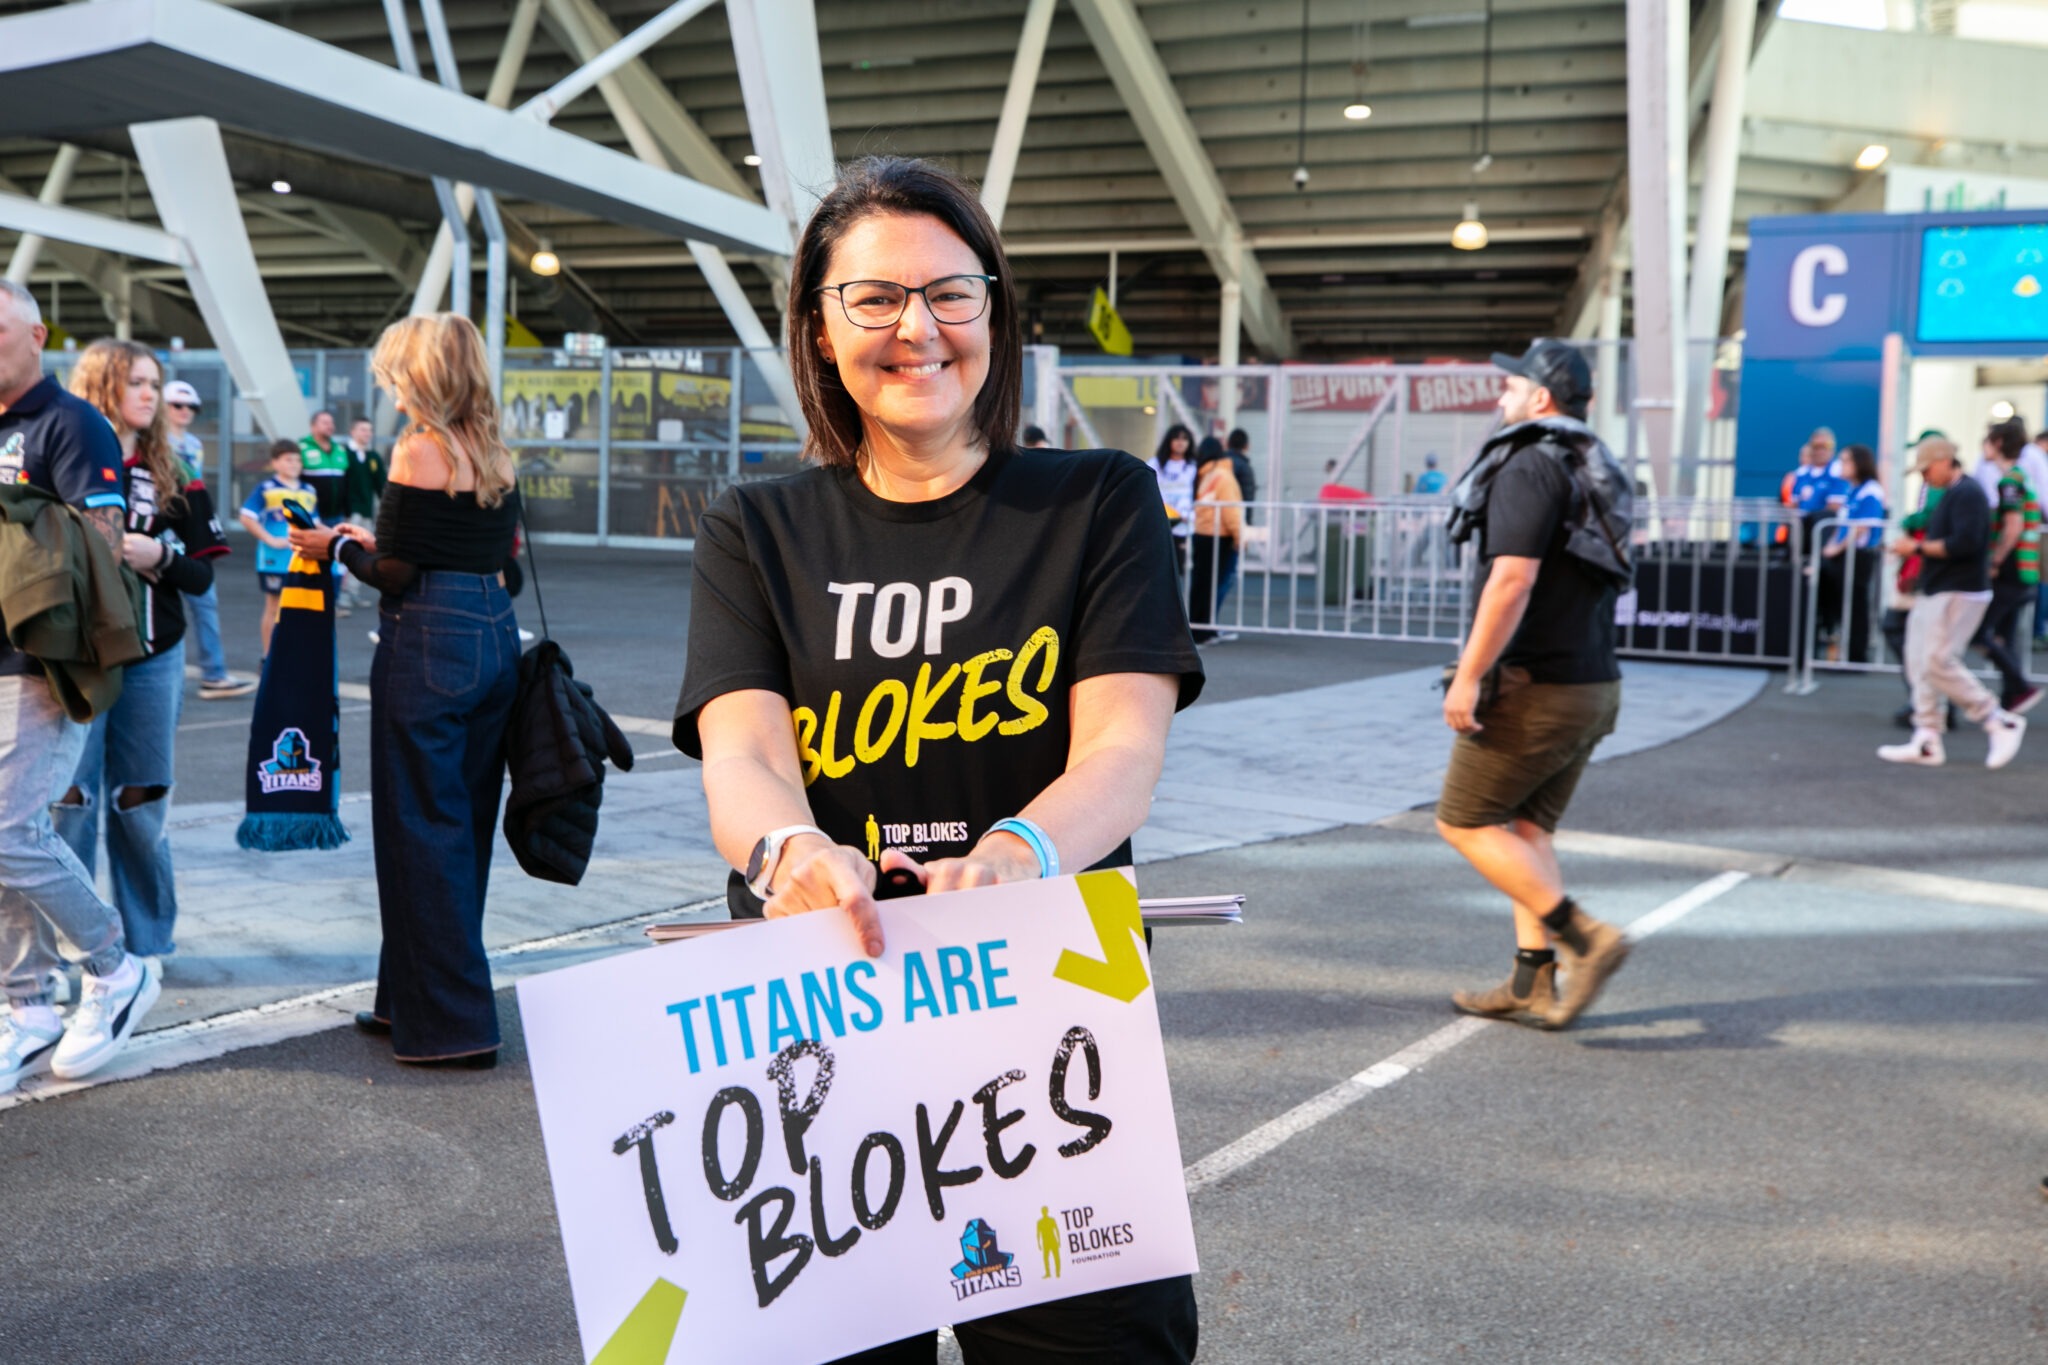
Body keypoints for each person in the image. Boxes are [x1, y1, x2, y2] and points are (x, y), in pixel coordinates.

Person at [671, 155, 1201, 1364]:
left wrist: (1021, 848)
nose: (917, 328)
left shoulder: (1099, 502)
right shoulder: (754, 528)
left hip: (1049, 1024)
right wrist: (788, 852)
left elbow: (1121, 744)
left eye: (950, 294)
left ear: (994, 312)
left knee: (1098, 1347)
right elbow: (742, 756)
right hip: (820, 1031)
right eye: (873, 298)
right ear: (817, 323)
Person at [290, 313, 521, 1069]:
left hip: (429, 638)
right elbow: (495, 559)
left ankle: (454, 1024)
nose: (388, 385)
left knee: (418, 823)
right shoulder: (493, 450)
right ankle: (408, 997)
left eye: (395, 373)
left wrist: (340, 543)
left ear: (419, 376)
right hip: (493, 632)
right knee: (462, 821)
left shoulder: (418, 447)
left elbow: (394, 570)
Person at [1437, 339, 1633, 1031]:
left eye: (1511, 385)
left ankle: (1585, 937)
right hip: (1592, 684)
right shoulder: (1589, 466)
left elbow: (1512, 580)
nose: (1501, 396)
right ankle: (1532, 982)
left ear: (1540, 398)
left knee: (1461, 819)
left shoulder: (1528, 465)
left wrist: (1469, 675)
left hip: (1534, 688)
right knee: (1526, 829)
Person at [0, 281, 161, 1093]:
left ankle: (114, 964)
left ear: (35, 331)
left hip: (41, 663)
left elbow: (100, 544)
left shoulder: (71, 423)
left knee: (9, 831)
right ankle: (25, 1005)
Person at [52, 340, 227, 970]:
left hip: (155, 657)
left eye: (156, 383)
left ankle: (149, 943)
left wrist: (162, 558)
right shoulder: (60, 458)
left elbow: (204, 580)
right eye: (138, 383)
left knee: (141, 803)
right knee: (68, 803)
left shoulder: (176, 468)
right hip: (74, 658)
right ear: (102, 387)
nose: (152, 395)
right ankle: (76, 943)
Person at [1878, 437, 2027, 768]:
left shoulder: (1968, 494)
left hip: (1959, 591)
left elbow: (1965, 544)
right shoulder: (1956, 493)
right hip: (1941, 589)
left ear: (1945, 461)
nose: (1925, 476)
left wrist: (1915, 549)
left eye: (1927, 469)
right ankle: (1927, 737)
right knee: (1919, 661)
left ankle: (1996, 719)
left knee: (1936, 661)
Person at [163, 379, 253, 699]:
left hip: (188, 536)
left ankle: (214, 673)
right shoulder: (152, 443)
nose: (186, 411)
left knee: (205, 601)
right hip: (158, 533)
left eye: (191, 407)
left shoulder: (195, 445)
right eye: (178, 405)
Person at [1971, 421, 2041, 715]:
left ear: (1997, 443)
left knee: (1979, 634)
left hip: (2012, 570)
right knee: (2004, 635)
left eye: (1987, 440)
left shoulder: (2010, 481)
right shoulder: (2020, 477)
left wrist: (1995, 560)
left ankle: (2020, 686)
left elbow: (2013, 527)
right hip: (2024, 570)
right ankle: (2011, 697)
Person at [237, 440, 319, 658]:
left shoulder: (309, 490)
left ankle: (291, 655)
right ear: (275, 463)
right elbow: (246, 517)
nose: (294, 464)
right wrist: (270, 539)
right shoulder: (267, 489)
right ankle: (268, 656)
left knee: (300, 608)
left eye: (297, 460)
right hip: (274, 559)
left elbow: (315, 523)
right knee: (274, 607)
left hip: (302, 558)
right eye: (288, 459)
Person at [1816, 443, 1886, 664]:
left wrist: (1838, 547)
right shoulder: (1852, 489)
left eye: (1846, 461)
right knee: (1839, 602)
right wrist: (1831, 546)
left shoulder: (1871, 490)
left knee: (1857, 604)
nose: (1841, 465)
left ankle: (1857, 654)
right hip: (1843, 554)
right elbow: (1843, 523)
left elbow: (1862, 526)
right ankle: (1838, 648)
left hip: (1859, 555)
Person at [1187, 435, 1243, 645]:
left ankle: (1196, 629)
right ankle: (1204, 631)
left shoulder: (1204, 475)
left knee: (1201, 585)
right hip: (1220, 536)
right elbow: (1231, 510)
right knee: (1213, 585)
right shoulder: (1223, 475)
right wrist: (1239, 536)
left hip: (1202, 534)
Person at [337, 416, 387, 612]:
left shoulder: (373, 457)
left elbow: (382, 486)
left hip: (366, 513)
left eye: (369, 430)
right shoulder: (342, 454)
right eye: (363, 430)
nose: (367, 434)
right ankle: (341, 594)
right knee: (343, 551)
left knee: (361, 552)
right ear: (352, 431)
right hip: (348, 514)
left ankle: (352, 591)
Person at [1153, 423, 1196, 576]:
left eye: (1184, 439)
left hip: (1182, 525)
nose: (1180, 442)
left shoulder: (1192, 467)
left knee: (1178, 571)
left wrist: (1189, 515)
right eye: (1176, 438)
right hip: (1159, 523)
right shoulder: (1155, 464)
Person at [1225, 427, 1258, 506]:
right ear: (1247, 446)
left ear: (1227, 444)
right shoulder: (1245, 468)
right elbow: (1248, 498)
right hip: (1237, 514)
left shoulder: (1219, 463)